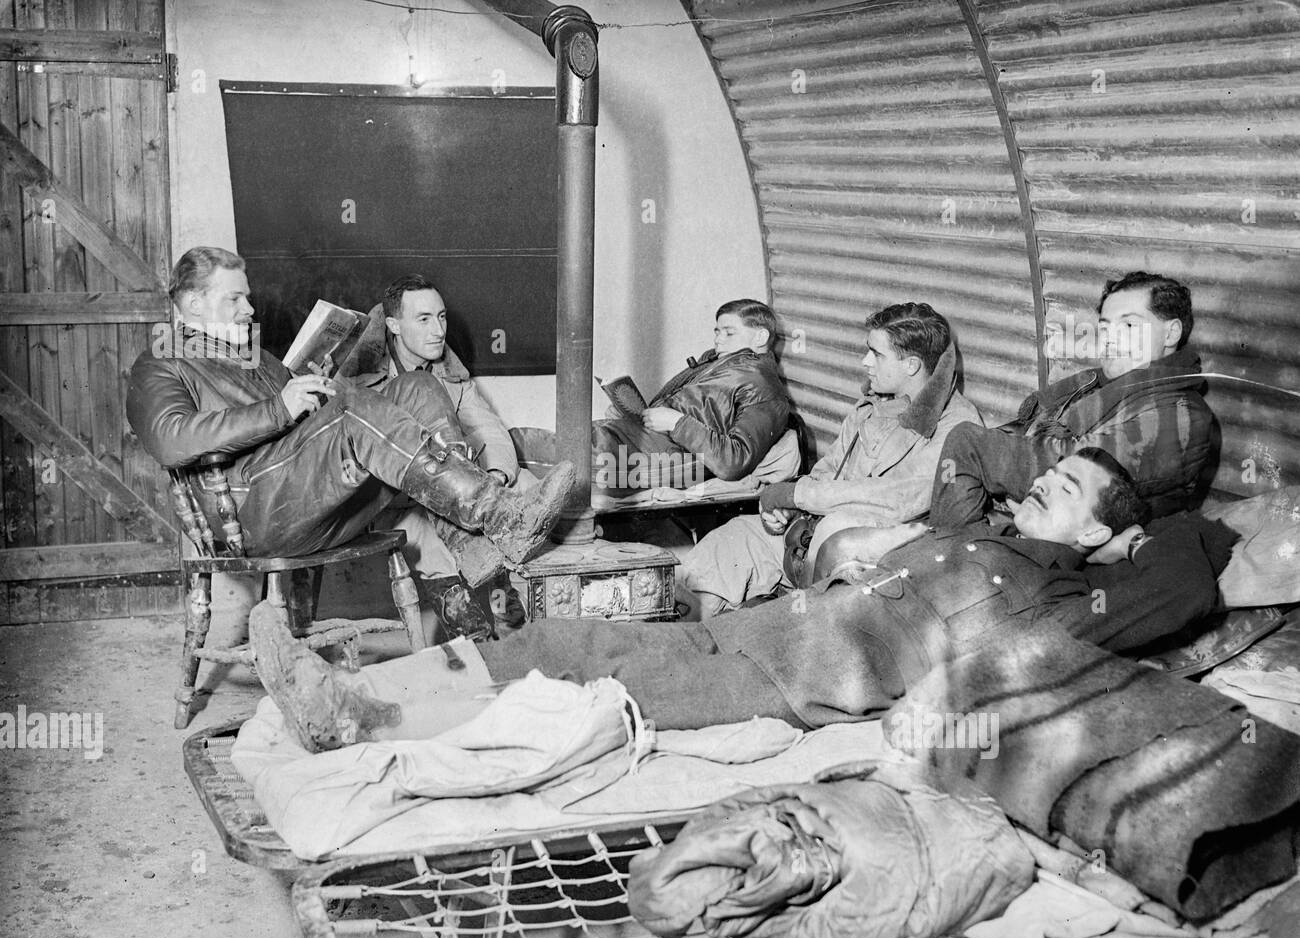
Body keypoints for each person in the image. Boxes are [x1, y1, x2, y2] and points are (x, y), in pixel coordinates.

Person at [249, 447, 1235, 750]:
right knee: (554, 631)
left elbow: (1187, 574)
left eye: (1063, 490)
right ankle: (360, 688)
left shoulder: (1071, 593)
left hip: (792, 674)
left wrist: (1180, 525)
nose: (1038, 489)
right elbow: (973, 478)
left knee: (572, 670)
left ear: (1106, 533)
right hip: (764, 627)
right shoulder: (996, 539)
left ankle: (366, 716)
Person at [127, 246, 575, 587]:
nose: (250, 309)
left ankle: (466, 531)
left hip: (303, 495)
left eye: (248, 298)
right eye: (235, 300)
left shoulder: (254, 357)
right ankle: (498, 517)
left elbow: (300, 430)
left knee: (417, 386)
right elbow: (170, 439)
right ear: (192, 305)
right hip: (253, 513)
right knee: (349, 407)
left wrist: (315, 386)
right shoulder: (162, 363)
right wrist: (282, 406)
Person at [677, 302, 983, 617]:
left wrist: (800, 495)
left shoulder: (956, 424)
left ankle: (796, 631)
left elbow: (902, 498)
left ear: (912, 365)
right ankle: (672, 633)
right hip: (814, 535)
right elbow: (828, 470)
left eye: (876, 354)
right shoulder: (872, 407)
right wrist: (788, 507)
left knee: (835, 531)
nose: (866, 363)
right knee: (732, 539)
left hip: (884, 554)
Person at [931, 271, 1217, 530]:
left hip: (1081, 557)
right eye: (1104, 327)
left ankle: (948, 561)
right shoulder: (1095, 385)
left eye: (1129, 326)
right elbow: (1022, 432)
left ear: (1171, 333)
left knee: (965, 441)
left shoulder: (1182, 415)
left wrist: (983, 456)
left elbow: (1081, 475)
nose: (1110, 339)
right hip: (1029, 524)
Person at [336, 273, 528, 640]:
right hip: (388, 500)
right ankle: (478, 642)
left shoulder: (451, 377)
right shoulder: (361, 384)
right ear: (393, 325)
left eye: (441, 317)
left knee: (493, 510)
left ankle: (513, 631)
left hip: (454, 500)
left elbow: (489, 429)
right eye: (423, 319)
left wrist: (497, 478)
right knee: (424, 536)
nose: (438, 329)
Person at [591, 299, 790, 495]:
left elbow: (733, 461)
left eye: (729, 333)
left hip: (669, 458)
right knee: (574, 439)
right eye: (717, 332)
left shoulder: (763, 387)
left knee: (574, 451)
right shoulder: (720, 363)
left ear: (760, 337)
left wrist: (676, 422)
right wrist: (634, 415)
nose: (718, 339)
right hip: (653, 443)